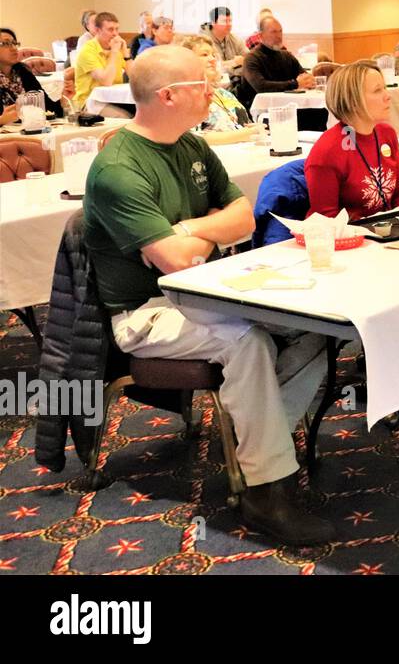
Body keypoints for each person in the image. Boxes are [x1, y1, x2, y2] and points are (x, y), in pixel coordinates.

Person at [82, 45, 334, 544]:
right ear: (169, 95)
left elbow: (245, 215)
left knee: (325, 321)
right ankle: (266, 492)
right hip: (146, 312)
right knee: (247, 343)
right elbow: (175, 261)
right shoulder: (117, 169)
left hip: (209, 292)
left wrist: (190, 227)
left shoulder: (191, 146)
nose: (215, 89)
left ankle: (257, 435)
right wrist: (203, 235)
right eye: (204, 83)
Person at [305, 61, 399, 220]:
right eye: (377, 90)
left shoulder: (387, 134)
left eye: (384, 88)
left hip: (388, 231)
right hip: (346, 238)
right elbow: (326, 218)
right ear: (353, 100)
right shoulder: (328, 150)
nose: (388, 96)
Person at [179, 35, 255, 141]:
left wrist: (255, 129)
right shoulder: (186, 96)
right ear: (187, 62)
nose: (212, 59)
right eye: (204, 55)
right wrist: (243, 134)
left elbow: (246, 126)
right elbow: (193, 139)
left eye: (213, 55)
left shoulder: (224, 94)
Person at [0, 27, 63, 123]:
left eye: (14, 43)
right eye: (5, 44)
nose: (13, 48)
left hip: (29, 131)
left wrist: (63, 102)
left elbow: (47, 108)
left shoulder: (23, 73)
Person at [242, 16, 315, 93]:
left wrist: (309, 80)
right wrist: (295, 84)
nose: (279, 36)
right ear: (261, 36)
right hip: (258, 103)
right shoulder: (252, 58)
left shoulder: (287, 56)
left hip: (288, 102)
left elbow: (305, 78)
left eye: (280, 31)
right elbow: (261, 87)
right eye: (273, 32)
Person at [73, 11, 128, 109]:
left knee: (144, 111)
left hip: (115, 99)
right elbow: (106, 81)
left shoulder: (115, 47)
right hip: (91, 103)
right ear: (98, 30)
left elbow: (135, 76)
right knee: (128, 117)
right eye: (110, 29)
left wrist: (126, 54)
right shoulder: (88, 50)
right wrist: (114, 52)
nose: (115, 34)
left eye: (117, 29)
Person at [204, 6, 244, 77]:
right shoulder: (204, 41)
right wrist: (234, 62)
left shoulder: (234, 38)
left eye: (230, 21)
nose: (229, 24)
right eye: (224, 21)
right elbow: (213, 65)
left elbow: (248, 58)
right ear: (213, 23)